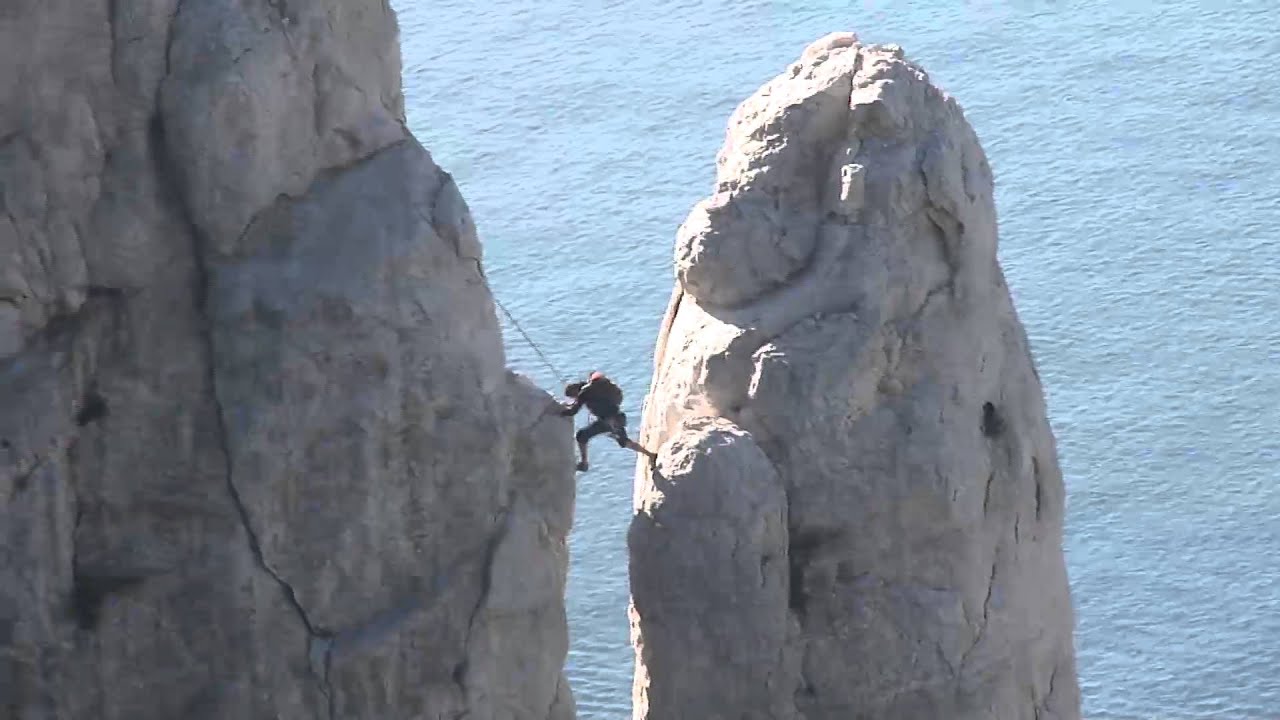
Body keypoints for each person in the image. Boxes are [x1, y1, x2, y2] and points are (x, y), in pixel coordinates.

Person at [560, 371, 655, 472]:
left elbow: (573, 411)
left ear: (574, 392)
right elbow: (582, 402)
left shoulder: (584, 393)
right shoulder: (597, 389)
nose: (574, 398)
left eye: (572, 396)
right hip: (618, 418)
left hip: (606, 422)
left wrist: (560, 412)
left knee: (581, 436)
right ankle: (650, 455)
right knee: (624, 442)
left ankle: (584, 463)